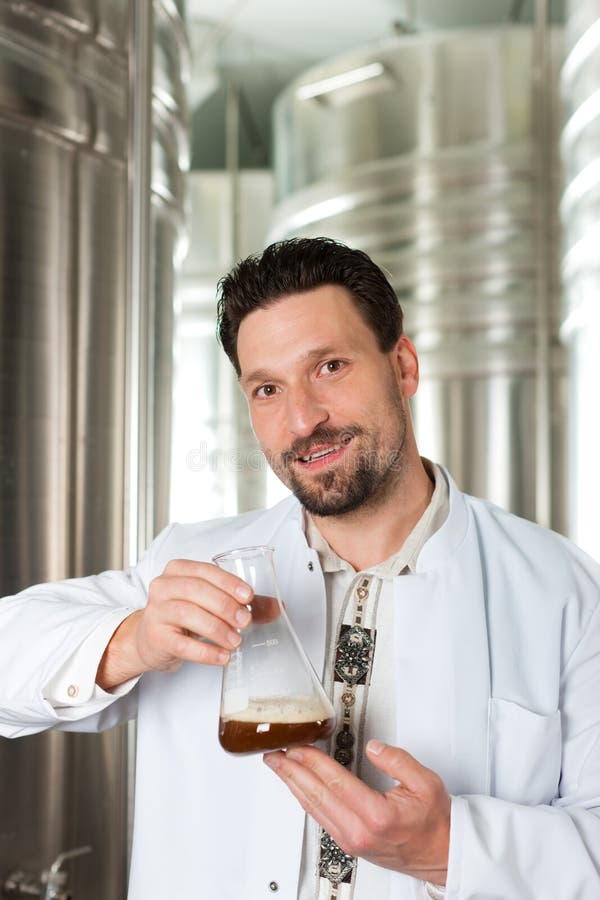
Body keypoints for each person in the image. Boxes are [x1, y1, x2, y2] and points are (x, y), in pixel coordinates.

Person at [1, 237, 599, 900]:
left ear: (402, 365)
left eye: (331, 367)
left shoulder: (561, 592)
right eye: (267, 388)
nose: (302, 420)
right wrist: (133, 639)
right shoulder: (190, 566)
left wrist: (453, 851)